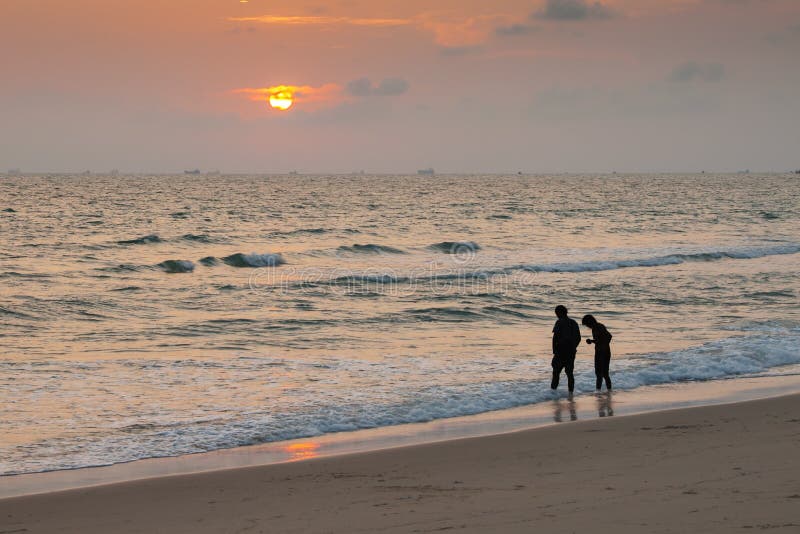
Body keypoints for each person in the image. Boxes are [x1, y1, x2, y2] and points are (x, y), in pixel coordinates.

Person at [551, 305, 581, 393]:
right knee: (569, 373)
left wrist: (554, 351)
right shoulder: (573, 322)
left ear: (560, 313)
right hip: (570, 352)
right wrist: (573, 347)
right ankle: (570, 394)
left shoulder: (559, 322)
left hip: (560, 352)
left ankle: (553, 393)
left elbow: (555, 338)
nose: (556, 314)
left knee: (556, 373)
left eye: (556, 313)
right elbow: (578, 338)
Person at [582, 314, 613, 390]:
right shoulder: (598, 327)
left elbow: (609, 336)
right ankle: (608, 391)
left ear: (589, 322)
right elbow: (602, 339)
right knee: (605, 374)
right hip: (605, 351)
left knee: (599, 374)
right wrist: (592, 341)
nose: (587, 326)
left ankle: (598, 391)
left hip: (601, 352)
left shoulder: (598, 327)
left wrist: (601, 344)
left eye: (586, 324)